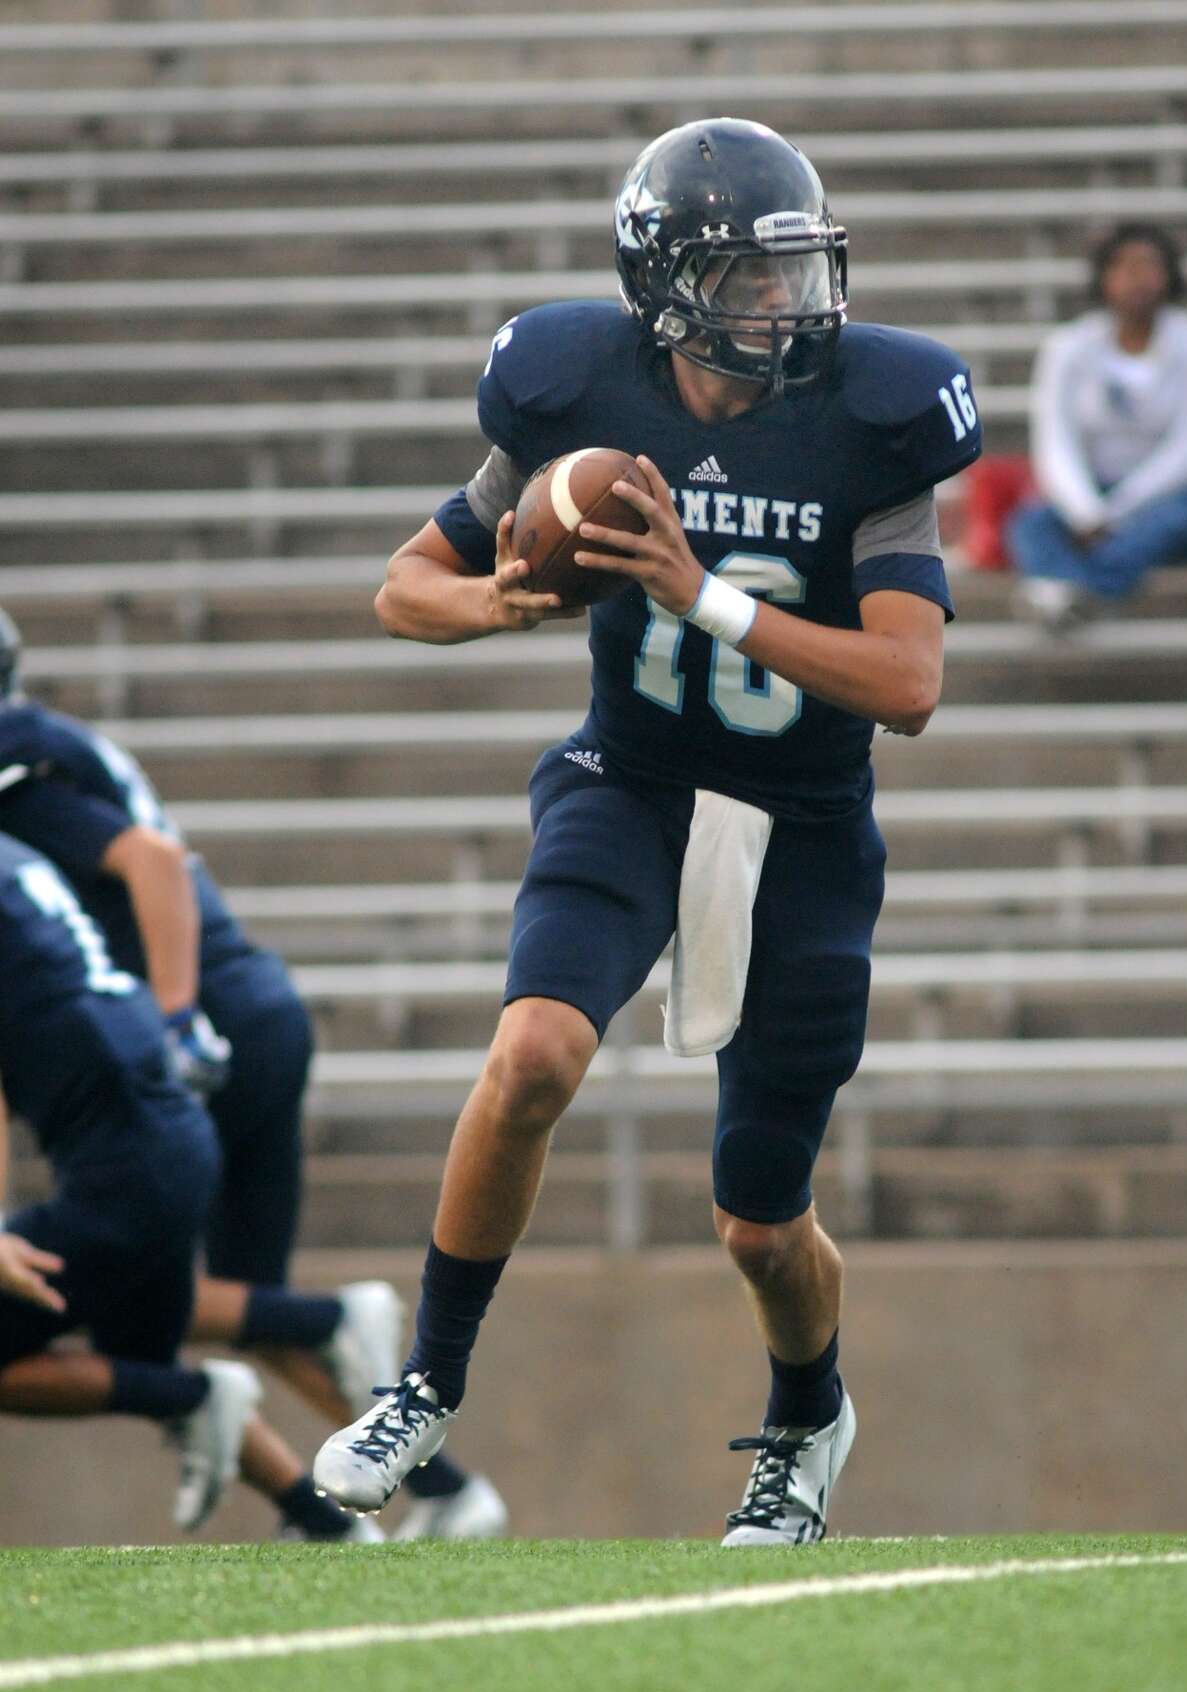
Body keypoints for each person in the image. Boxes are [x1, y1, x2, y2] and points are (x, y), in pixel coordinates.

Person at [315, 117, 981, 1544]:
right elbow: (402, 588)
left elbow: (911, 685)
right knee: (536, 1049)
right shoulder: (578, 401)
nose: (789, 306)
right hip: (627, 779)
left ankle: (809, 1417)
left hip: (802, 820)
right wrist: (499, 600)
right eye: (753, 278)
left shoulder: (875, 415)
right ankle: (426, 1381)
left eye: (797, 272)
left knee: (758, 1222)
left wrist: (704, 596)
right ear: (670, 286)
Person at [0, 610, 506, 1540]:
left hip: (204, 1027)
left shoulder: (17, 768)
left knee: (148, 1303)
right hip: (245, 1005)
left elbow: (153, 865)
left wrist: (179, 1018)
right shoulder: (50, 739)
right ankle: (426, 1492)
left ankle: (330, 1338)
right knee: (209, 1305)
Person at [0, 829, 384, 1541]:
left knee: (167, 1381)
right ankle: (322, 1519)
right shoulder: (17, 860)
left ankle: (320, 1322)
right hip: (166, 1133)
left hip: (127, 1167)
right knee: (143, 1354)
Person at [1007, 222, 1187, 627]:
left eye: (1148, 266)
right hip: (1091, 494)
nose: (1137, 279)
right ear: (1104, 276)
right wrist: (1085, 511)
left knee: (1176, 520)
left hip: (1168, 499)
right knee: (1032, 521)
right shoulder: (1068, 348)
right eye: (1125, 267)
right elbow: (1056, 440)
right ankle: (1077, 588)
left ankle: (1071, 590)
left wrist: (1118, 512)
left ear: (1169, 275)